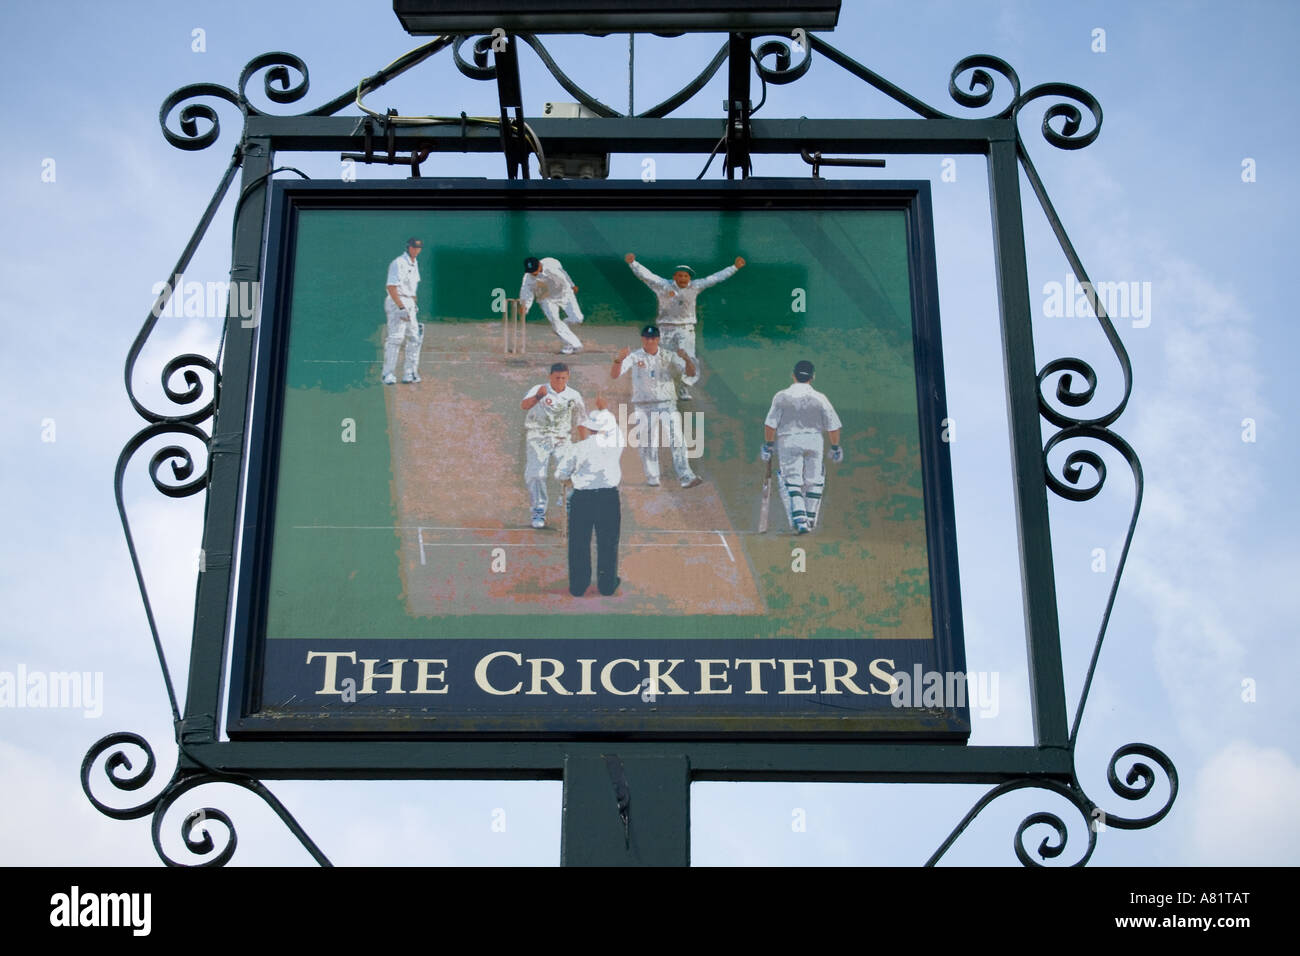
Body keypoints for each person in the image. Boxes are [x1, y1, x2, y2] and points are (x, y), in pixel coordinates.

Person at [624, 252, 745, 400]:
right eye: (680, 276)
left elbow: (715, 278)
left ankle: (683, 388)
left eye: (686, 276)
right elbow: (647, 275)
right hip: (665, 329)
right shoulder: (663, 285)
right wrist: (633, 263)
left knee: (688, 359)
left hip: (686, 328)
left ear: (690, 278)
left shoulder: (696, 286)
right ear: (675, 276)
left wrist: (734, 267)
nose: (683, 279)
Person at [610, 325, 703, 489]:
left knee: (678, 440)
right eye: (646, 338)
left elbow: (690, 373)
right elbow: (615, 374)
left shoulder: (669, 356)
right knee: (647, 443)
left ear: (658, 339)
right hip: (643, 405)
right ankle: (653, 477)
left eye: (653, 338)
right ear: (642, 339)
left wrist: (687, 359)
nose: (650, 341)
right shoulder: (634, 357)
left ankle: (686, 476)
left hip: (666, 404)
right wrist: (619, 359)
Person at [761, 360, 843, 534]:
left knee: (792, 481)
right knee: (814, 480)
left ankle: (800, 518)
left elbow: (770, 425)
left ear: (793, 375)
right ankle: (810, 517)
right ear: (812, 377)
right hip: (814, 442)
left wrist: (768, 445)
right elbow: (833, 426)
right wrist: (835, 447)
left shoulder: (781, 396)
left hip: (788, 441)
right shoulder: (820, 398)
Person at [555, 401, 623, 597]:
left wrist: (572, 479)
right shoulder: (616, 442)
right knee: (608, 543)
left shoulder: (578, 448)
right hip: (609, 498)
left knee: (578, 542)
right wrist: (604, 409)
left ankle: (578, 586)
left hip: (582, 499)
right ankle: (607, 585)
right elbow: (615, 429)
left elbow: (560, 474)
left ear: (590, 428)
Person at [520, 362, 586, 530]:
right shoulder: (539, 389)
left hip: (561, 438)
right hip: (538, 437)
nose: (560, 381)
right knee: (537, 475)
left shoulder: (574, 395)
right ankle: (538, 510)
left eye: (563, 378)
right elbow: (524, 406)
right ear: (550, 377)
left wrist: (586, 444)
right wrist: (538, 397)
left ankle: (568, 505)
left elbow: (580, 421)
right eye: (557, 378)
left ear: (568, 377)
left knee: (571, 472)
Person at [519, 255, 584, 355]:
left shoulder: (551, 265)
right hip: (546, 298)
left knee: (578, 318)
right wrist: (525, 306)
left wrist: (572, 285)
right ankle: (573, 344)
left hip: (564, 293)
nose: (533, 273)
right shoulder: (528, 277)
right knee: (555, 322)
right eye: (531, 271)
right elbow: (526, 292)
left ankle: (562, 327)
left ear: (540, 265)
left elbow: (564, 274)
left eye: (535, 270)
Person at [382, 237, 423, 384]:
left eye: (418, 247)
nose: (416, 250)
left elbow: (412, 289)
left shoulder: (415, 263)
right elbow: (391, 287)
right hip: (396, 301)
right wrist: (400, 307)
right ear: (408, 247)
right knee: (396, 338)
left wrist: (413, 304)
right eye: (413, 247)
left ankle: (409, 373)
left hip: (409, 302)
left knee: (414, 338)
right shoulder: (398, 263)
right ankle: (388, 374)